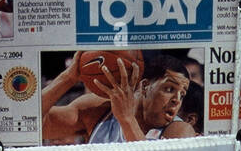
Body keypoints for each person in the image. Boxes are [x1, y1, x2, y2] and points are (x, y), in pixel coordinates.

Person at [41, 50, 196, 145]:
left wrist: (127, 119)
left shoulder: (180, 130)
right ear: (144, 86)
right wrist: (68, 78)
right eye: (169, 89)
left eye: (182, 94)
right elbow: (32, 126)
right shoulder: (98, 110)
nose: (177, 100)